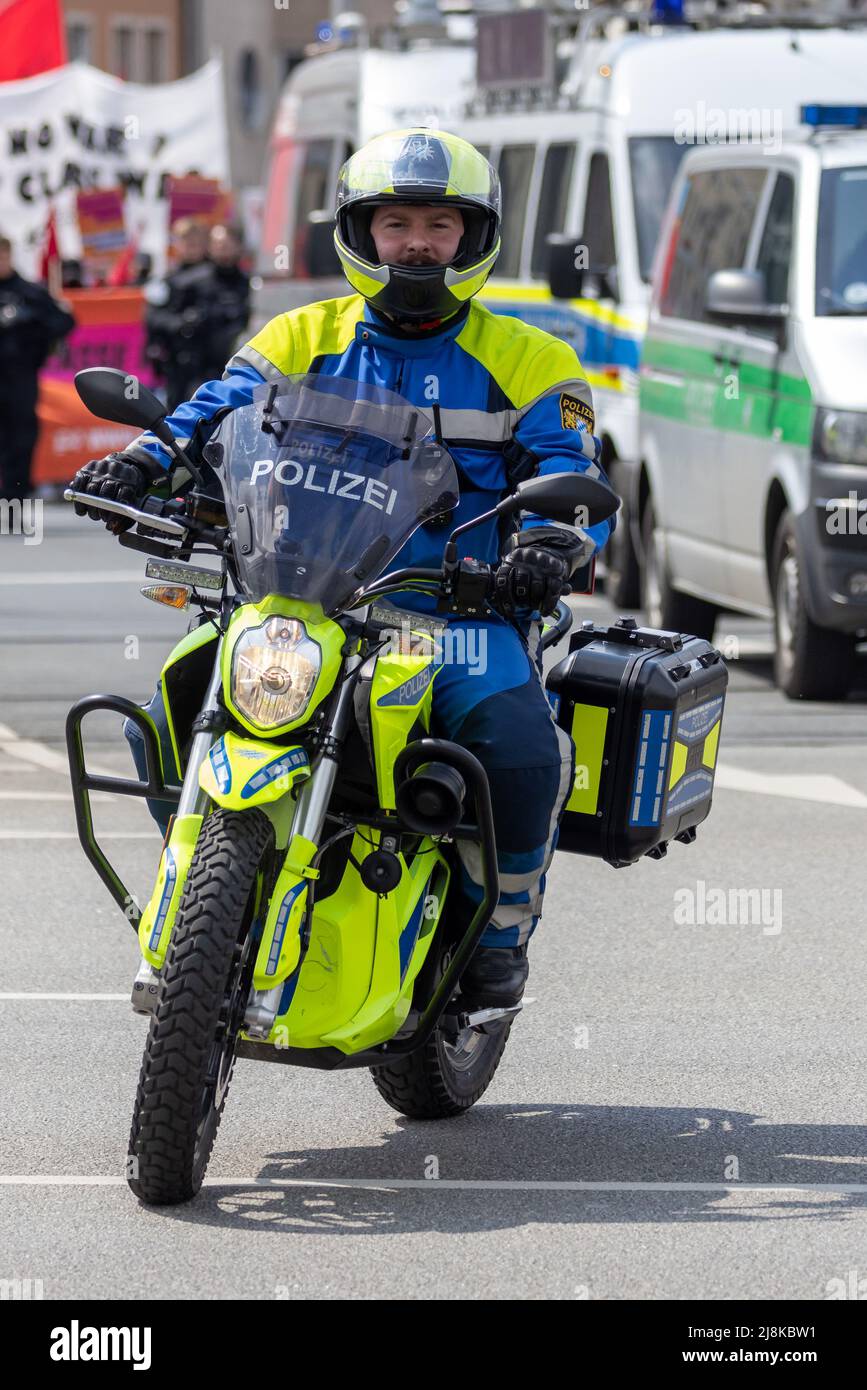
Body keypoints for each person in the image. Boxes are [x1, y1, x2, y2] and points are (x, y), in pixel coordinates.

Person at [69, 129, 615, 1011]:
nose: (417, 244)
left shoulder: (529, 357)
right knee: (166, 710)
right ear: (359, 234)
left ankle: (501, 931)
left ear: (476, 239)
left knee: (515, 749)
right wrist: (139, 462)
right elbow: (210, 415)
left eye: (441, 224)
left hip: (452, 616)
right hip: (297, 595)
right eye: (395, 222)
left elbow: (572, 474)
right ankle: (221, 885)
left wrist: (547, 543)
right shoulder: (300, 334)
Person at [0, 234, 75, 498]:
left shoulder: (29, 292)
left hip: (20, 375)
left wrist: (29, 322)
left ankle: (14, 498)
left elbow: (65, 320)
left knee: (21, 438)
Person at [143, 217, 213, 410]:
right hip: (176, 361)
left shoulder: (215, 276)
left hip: (209, 361)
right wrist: (180, 323)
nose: (191, 247)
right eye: (186, 242)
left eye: (195, 243)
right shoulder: (167, 279)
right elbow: (152, 316)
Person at [206, 224, 251, 370]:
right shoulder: (193, 283)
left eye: (227, 245)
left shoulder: (251, 284)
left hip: (236, 362)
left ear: (238, 246)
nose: (222, 249)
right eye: (218, 244)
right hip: (198, 366)